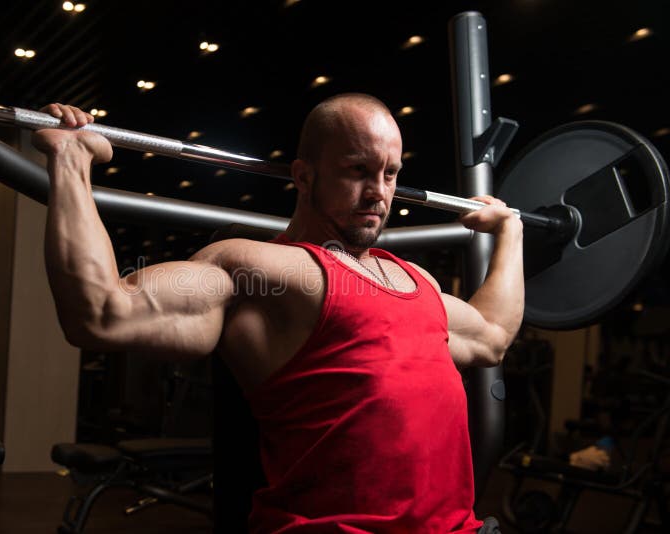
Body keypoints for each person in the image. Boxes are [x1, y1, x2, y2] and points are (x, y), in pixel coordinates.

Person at [32, 92, 524, 533]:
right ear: (304, 176)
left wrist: (510, 232)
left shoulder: (419, 281)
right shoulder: (263, 268)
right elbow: (101, 311)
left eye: (390, 174)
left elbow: (492, 335)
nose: (379, 191)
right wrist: (72, 161)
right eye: (357, 170)